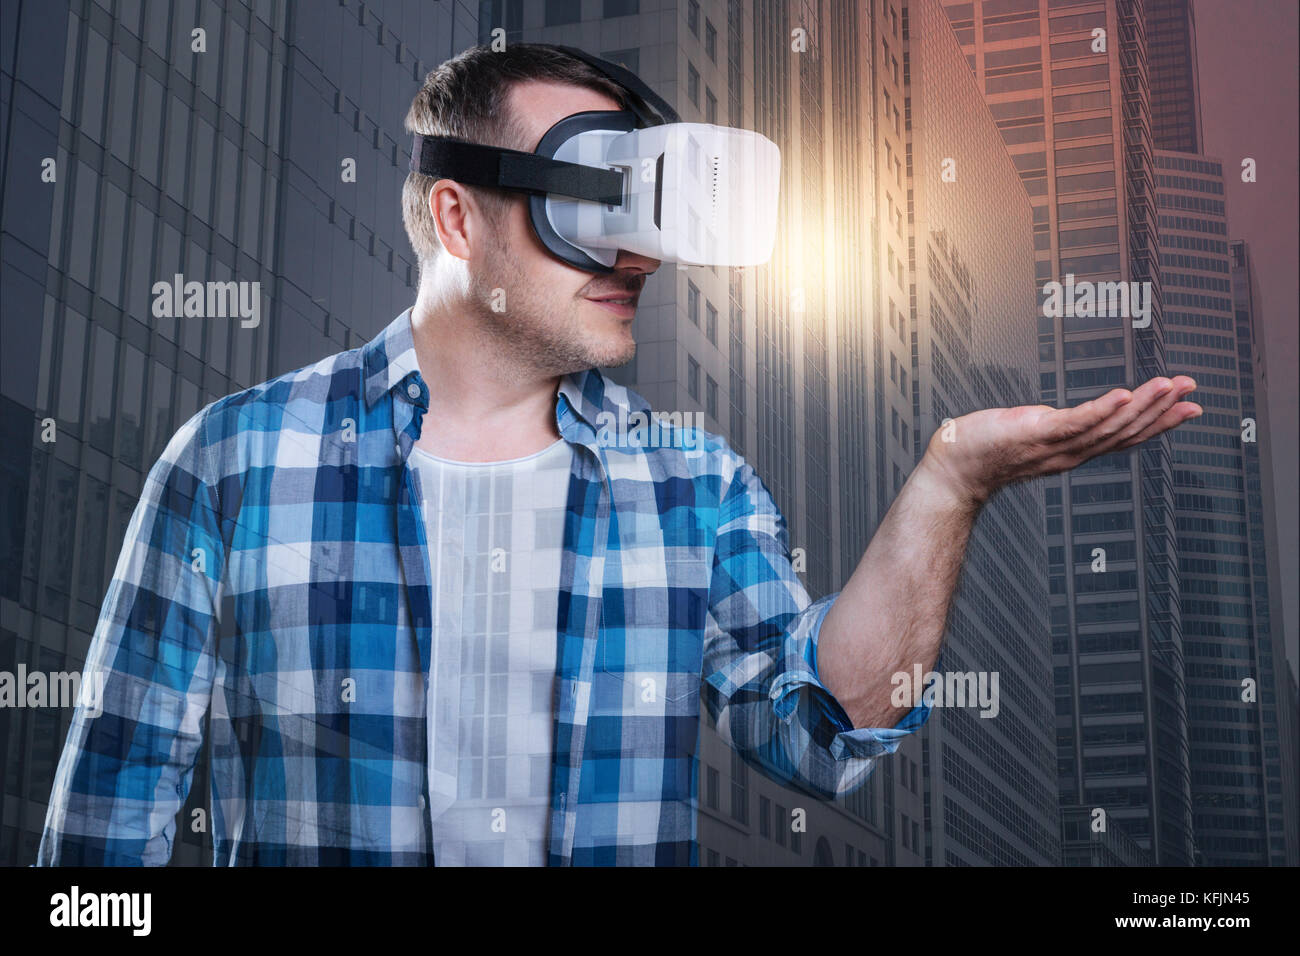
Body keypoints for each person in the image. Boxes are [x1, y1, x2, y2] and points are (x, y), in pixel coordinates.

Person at [37, 44, 1200, 866]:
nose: (636, 253)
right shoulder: (234, 461)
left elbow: (817, 731)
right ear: (456, 217)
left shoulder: (690, 483)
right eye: (593, 203)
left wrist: (950, 483)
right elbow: (109, 814)